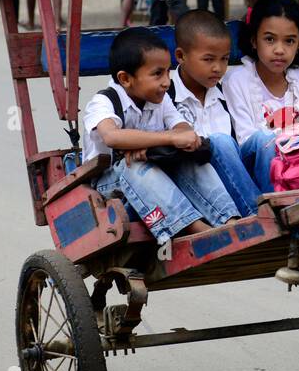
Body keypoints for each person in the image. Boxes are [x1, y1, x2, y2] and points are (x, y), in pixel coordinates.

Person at [82, 28, 241, 243]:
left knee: (189, 157)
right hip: (109, 183)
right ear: (126, 79)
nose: (167, 81)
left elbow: (184, 130)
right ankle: (194, 227)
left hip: (155, 168)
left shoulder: (161, 98)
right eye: (158, 74)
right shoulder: (104, 102)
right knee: (134, 166)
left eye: (168, 71)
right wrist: (168, 138)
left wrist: (157, 143)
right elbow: (112, 136)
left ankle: (228, 219)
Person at [221, 0, 299, 193]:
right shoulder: (237, 80)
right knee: (262, 140)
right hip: (255, 166)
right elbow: (246, 138)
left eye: (289, 41)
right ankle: (276, 203)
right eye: (269, 39)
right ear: (253, 40)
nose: (279, 50)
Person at [170, 10, 259, 217]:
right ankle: (256, 215)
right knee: (220, 141)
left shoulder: (226, 92)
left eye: (225, 59)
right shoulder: (165, 95)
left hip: (234, 181)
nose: (218, 68)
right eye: (208, 59)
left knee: (262, 140)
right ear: (181, 56)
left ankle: (277, 204)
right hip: (194, 187)